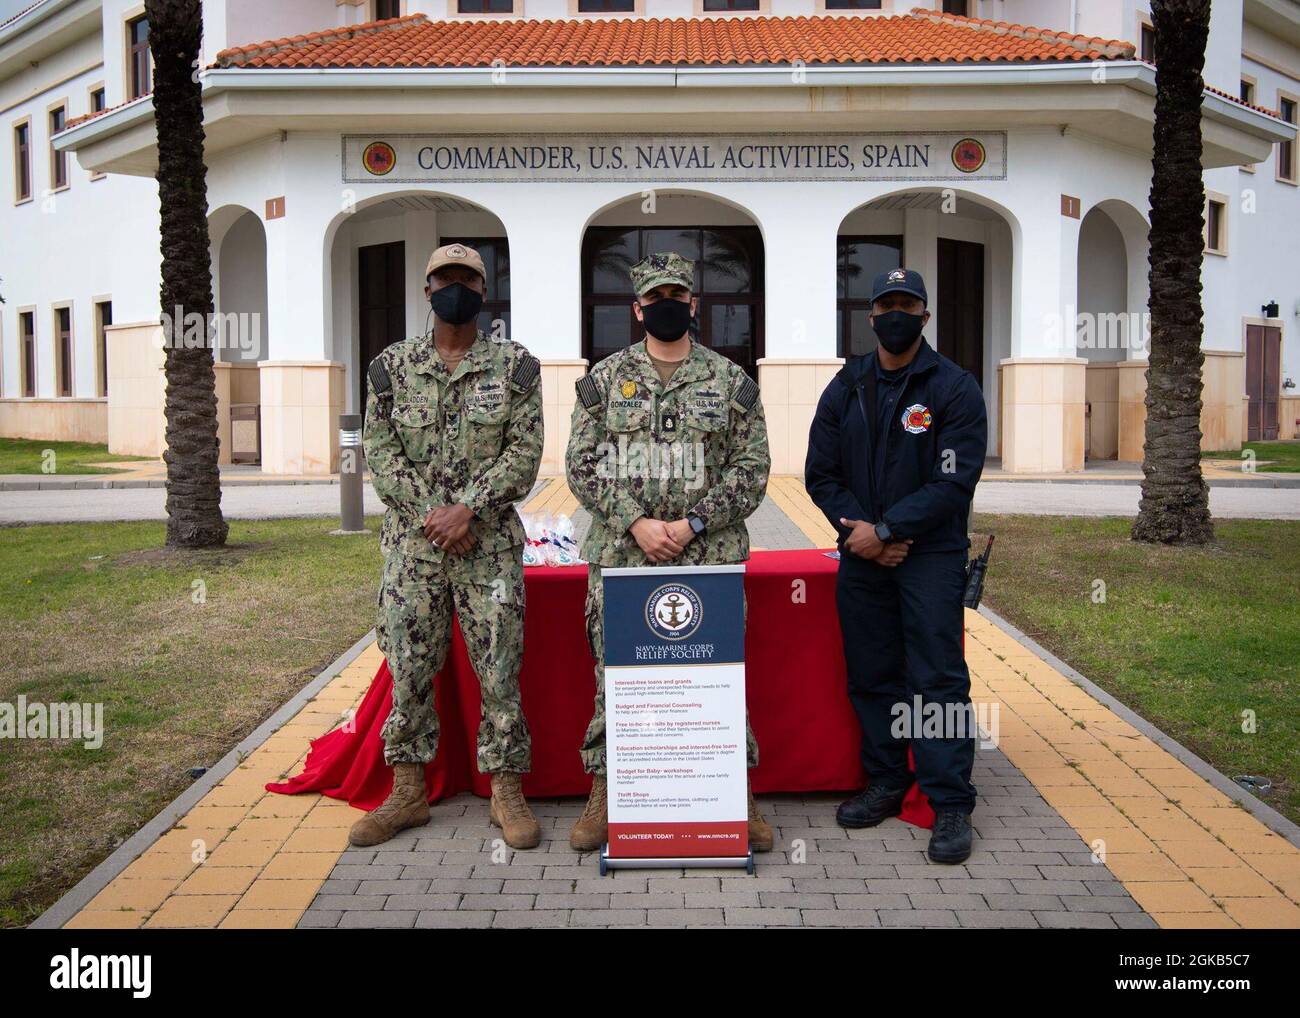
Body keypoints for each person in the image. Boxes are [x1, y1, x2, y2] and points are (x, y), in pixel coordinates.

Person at [564, 251, 774, 854]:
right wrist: (636, 522)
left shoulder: (730, 381)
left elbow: (753, 467)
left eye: (676, 297)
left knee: (715, 674)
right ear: (636, 309)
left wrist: (692, 523)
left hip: (705, 555)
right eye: (654, 299)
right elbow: (580, 464)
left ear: (694, 304)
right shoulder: (604, 382)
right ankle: (606, 790)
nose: (666, 307)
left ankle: (736, 792)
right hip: (624, 557)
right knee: (616, 675)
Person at [354, 243, 544, 850]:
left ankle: (506, 790)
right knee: (408, 668)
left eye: (467, 278)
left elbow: (524, 453)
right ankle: (407, 790)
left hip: (488, 549)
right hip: (414, 551)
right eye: (444, 278)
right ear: (427, 289)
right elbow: (380, 454)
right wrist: (433, 518)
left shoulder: (516, 368)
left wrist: (470, 510)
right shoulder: (390, 367)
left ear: (484, 292)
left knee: (499, 669)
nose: (455, 287)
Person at [805, 267, 987, 864]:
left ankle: (950, 801)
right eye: (886, 305)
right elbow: (821, 474)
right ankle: (886, 780)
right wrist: (862, 534)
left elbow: (953, 482)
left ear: (924, 316)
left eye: (907, 304)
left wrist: (888, 530)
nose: (895, 315)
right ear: (871, 315)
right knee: (873, 672)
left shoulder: (953, 387)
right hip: (862, 553)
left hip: (930, 556)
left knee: (936, 677)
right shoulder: (848, 384)